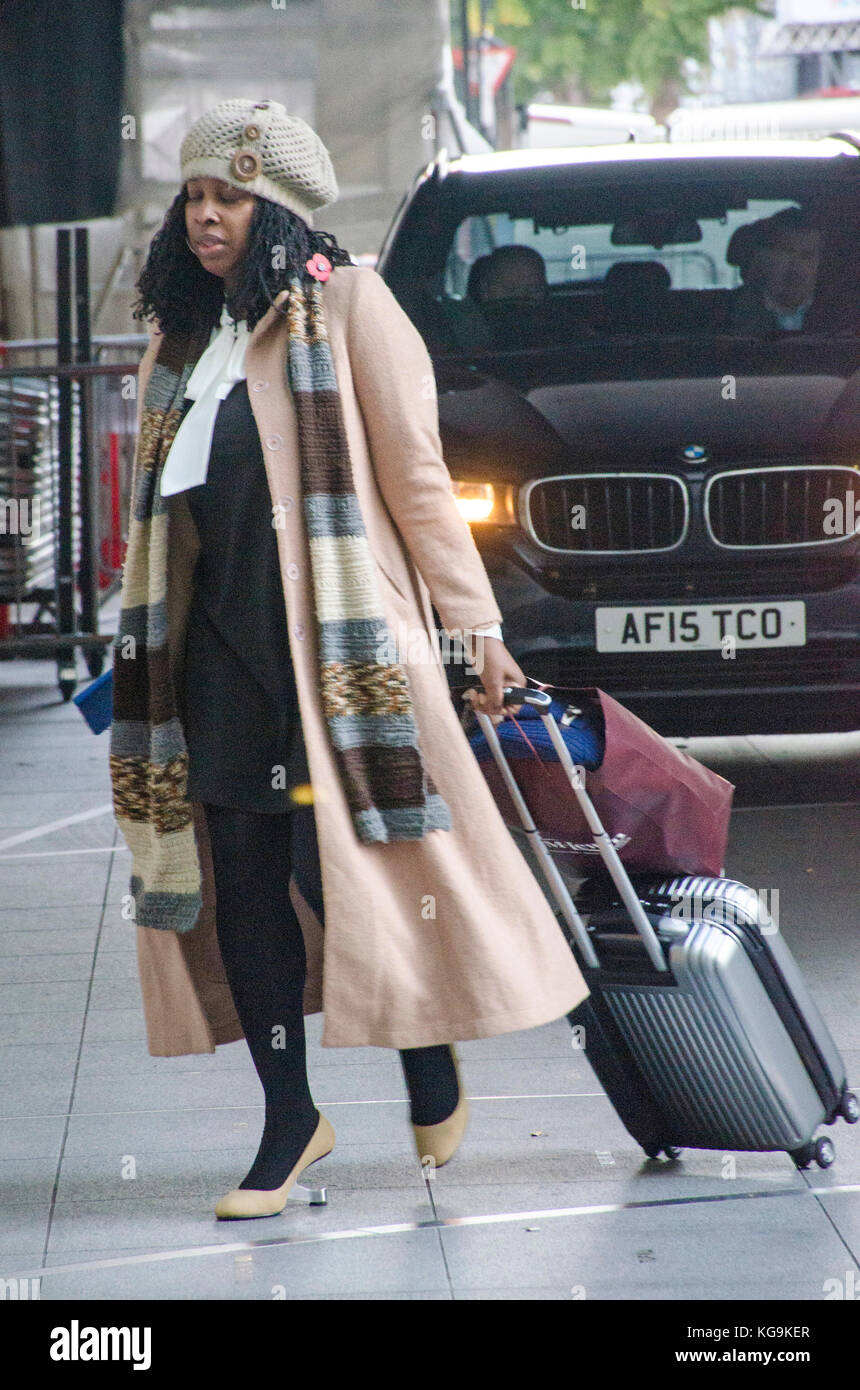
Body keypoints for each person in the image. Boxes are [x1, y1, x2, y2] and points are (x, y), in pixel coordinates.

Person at [108, 99, 589, 1221]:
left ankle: (425, 1050)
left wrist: (475, 632)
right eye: (193, 197)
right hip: (216, 653)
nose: (206, 217)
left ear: (276, 209)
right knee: (245, 880)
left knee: (342, 864)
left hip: (337, 648)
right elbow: (160, 515)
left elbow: (420, 484)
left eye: (228, 198)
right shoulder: (178, 339)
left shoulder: (350, 308)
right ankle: (290, 1117)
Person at [727, 208, 822, 333]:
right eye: (786, 253)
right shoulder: (725, 312)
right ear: (762, 259)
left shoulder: (839, 312)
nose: (797, 266)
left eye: (807, 256)